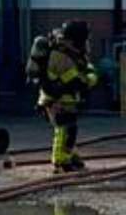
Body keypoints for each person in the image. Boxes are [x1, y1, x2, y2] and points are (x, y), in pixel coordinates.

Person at [24, 18, 98, 172]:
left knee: (69, 129)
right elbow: (77, 81)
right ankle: (60, 161)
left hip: (64, 99)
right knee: (64, 130)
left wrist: (89, 73)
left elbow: (83, 68)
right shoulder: (61, 56)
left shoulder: (69, 52)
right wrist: (92, 78)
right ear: (75, 39)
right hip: (56, 100)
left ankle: (71, 155)